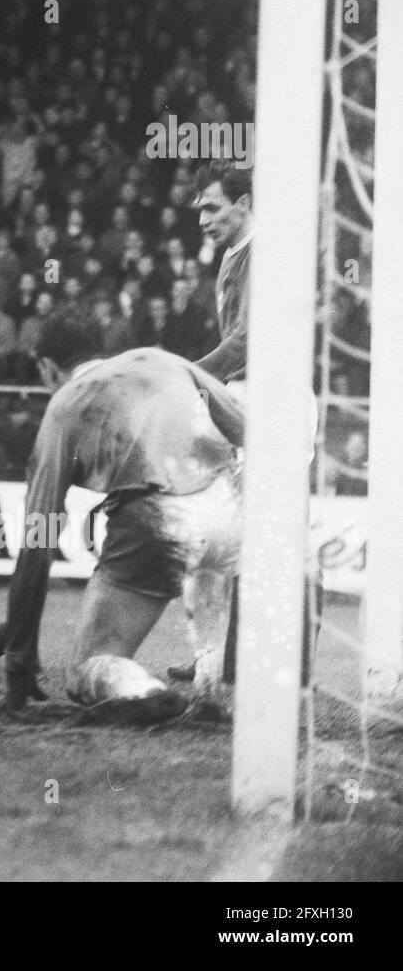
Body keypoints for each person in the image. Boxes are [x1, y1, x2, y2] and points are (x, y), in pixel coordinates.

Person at [1, 311, 246, 723]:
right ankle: (208, 692)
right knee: (211, 566)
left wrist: (19, 653)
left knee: (86, 670)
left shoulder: (64, 405)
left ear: (47, 366)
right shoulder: (162, 360)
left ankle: (147, 694)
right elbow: (246, 428)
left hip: (159, 516)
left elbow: (38, 540)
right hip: (231, 501)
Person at [168, 159, 321, 686]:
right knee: (226, 531)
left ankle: (292, 669)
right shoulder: (236, 255)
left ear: (244, 203)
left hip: (272, 399)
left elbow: (246, 341)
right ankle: (223, 659)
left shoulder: (263, 252)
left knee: (277, 536)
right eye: (199, 211)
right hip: (249, 398)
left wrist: (183, 375)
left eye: (212, 207)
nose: (203, 220)